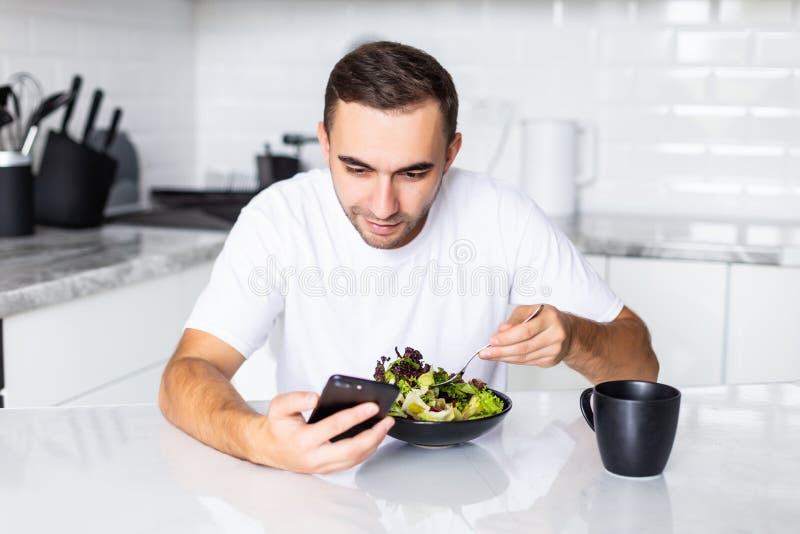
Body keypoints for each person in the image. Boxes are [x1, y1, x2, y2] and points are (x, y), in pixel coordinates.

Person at [159, 41, 658, 475]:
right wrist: (257, 440)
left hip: (471, 486)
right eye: (356, 168)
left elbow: (641, 365)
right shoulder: (279, 218)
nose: (383, 206)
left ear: (451, 154)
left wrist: (573, 337)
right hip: (315, 490)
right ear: (325, 143)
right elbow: (188, 372)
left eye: (414, 174)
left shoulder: (503, 215)